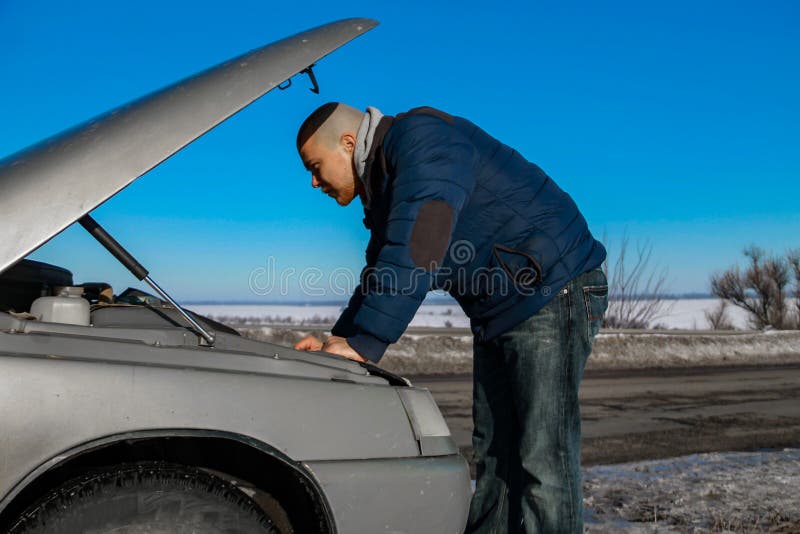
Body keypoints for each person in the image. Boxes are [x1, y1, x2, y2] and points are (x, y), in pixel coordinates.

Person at [293, 102, 608, 533]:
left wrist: (365, 342)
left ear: (348, 143)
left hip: (553, 288)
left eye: (315, 166)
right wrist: (340, 341)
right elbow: (384, 264)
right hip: (503, 307)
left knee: (541, 457)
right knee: (495, 454)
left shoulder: (422, 140)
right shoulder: (388, 175)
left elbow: (419, 242)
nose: (313, 181)